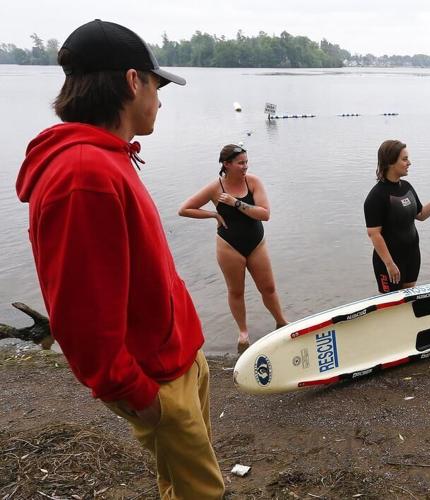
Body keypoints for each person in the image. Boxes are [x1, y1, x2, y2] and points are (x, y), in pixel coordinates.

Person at [16, 20, 224, 499]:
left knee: (181, 484)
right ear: (133, 82)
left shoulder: (106, 157)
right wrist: (138, 395)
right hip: (157, 380)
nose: (160, 98)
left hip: (176, 360)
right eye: (157, 84)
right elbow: (81, 316)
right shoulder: (83, 173)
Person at [179, 144, 288, 353]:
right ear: (226, 164)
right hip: (229, 246)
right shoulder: (215, 187)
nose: (245, 166)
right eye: (240, 163)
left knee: (269, 288)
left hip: (256, 243)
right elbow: (184, 209)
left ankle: (281, 321)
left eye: (246, 162)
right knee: (236, 291)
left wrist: (235, 203)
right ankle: (243, 332)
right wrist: (213, 214)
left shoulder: (253, 182)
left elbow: (265, 214)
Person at [364, 140, 430, 293]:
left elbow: (421, 214)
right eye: (404, 159)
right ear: (391, 162)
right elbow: (374, 233)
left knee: (408, 302)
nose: (409, 163)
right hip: (389, 262)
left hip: (412, 256)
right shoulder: (376, 196)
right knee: (389, 305)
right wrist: (389, 264)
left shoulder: (407, 187)